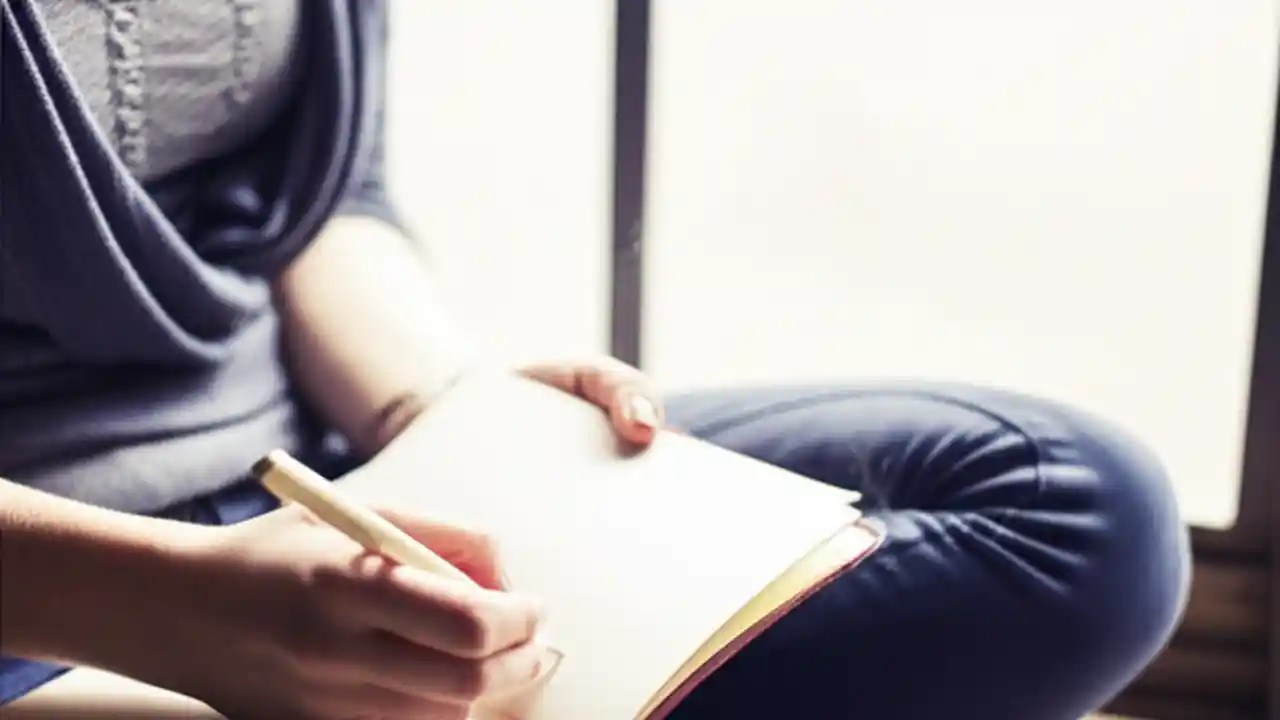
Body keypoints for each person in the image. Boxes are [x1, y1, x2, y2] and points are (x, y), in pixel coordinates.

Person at [0, 1, 1189, 718]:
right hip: (54, 605)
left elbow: (306, 201)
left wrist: (439, 407)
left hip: (311, 479)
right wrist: (171, 605)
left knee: (1074, 517)